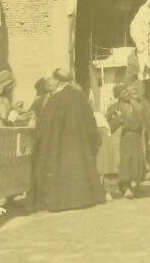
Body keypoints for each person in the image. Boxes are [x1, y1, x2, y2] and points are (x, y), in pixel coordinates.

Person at [32, 69, 105, 212]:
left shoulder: (54, 100)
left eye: (53, 79)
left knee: (62, 170)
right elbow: (90, 121)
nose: (50, 82)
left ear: (60, 81)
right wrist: (92, 140)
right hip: (79, 145)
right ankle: (83, 198)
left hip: (61, 146)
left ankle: (65, 201)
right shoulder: (80, 97)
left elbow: (43, 124)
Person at [105, 83, 147, 199]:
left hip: (135, 138)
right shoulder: (114, 108)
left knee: (136, 162)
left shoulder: (135, 107)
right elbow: (109, 125)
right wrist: (119, 119)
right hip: (123, 139)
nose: (127, 94)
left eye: (127, 91)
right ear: (118, 94)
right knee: (125, 163)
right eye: (123, 92)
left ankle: (134, 185)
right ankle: (126, 187)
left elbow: (141, 123)